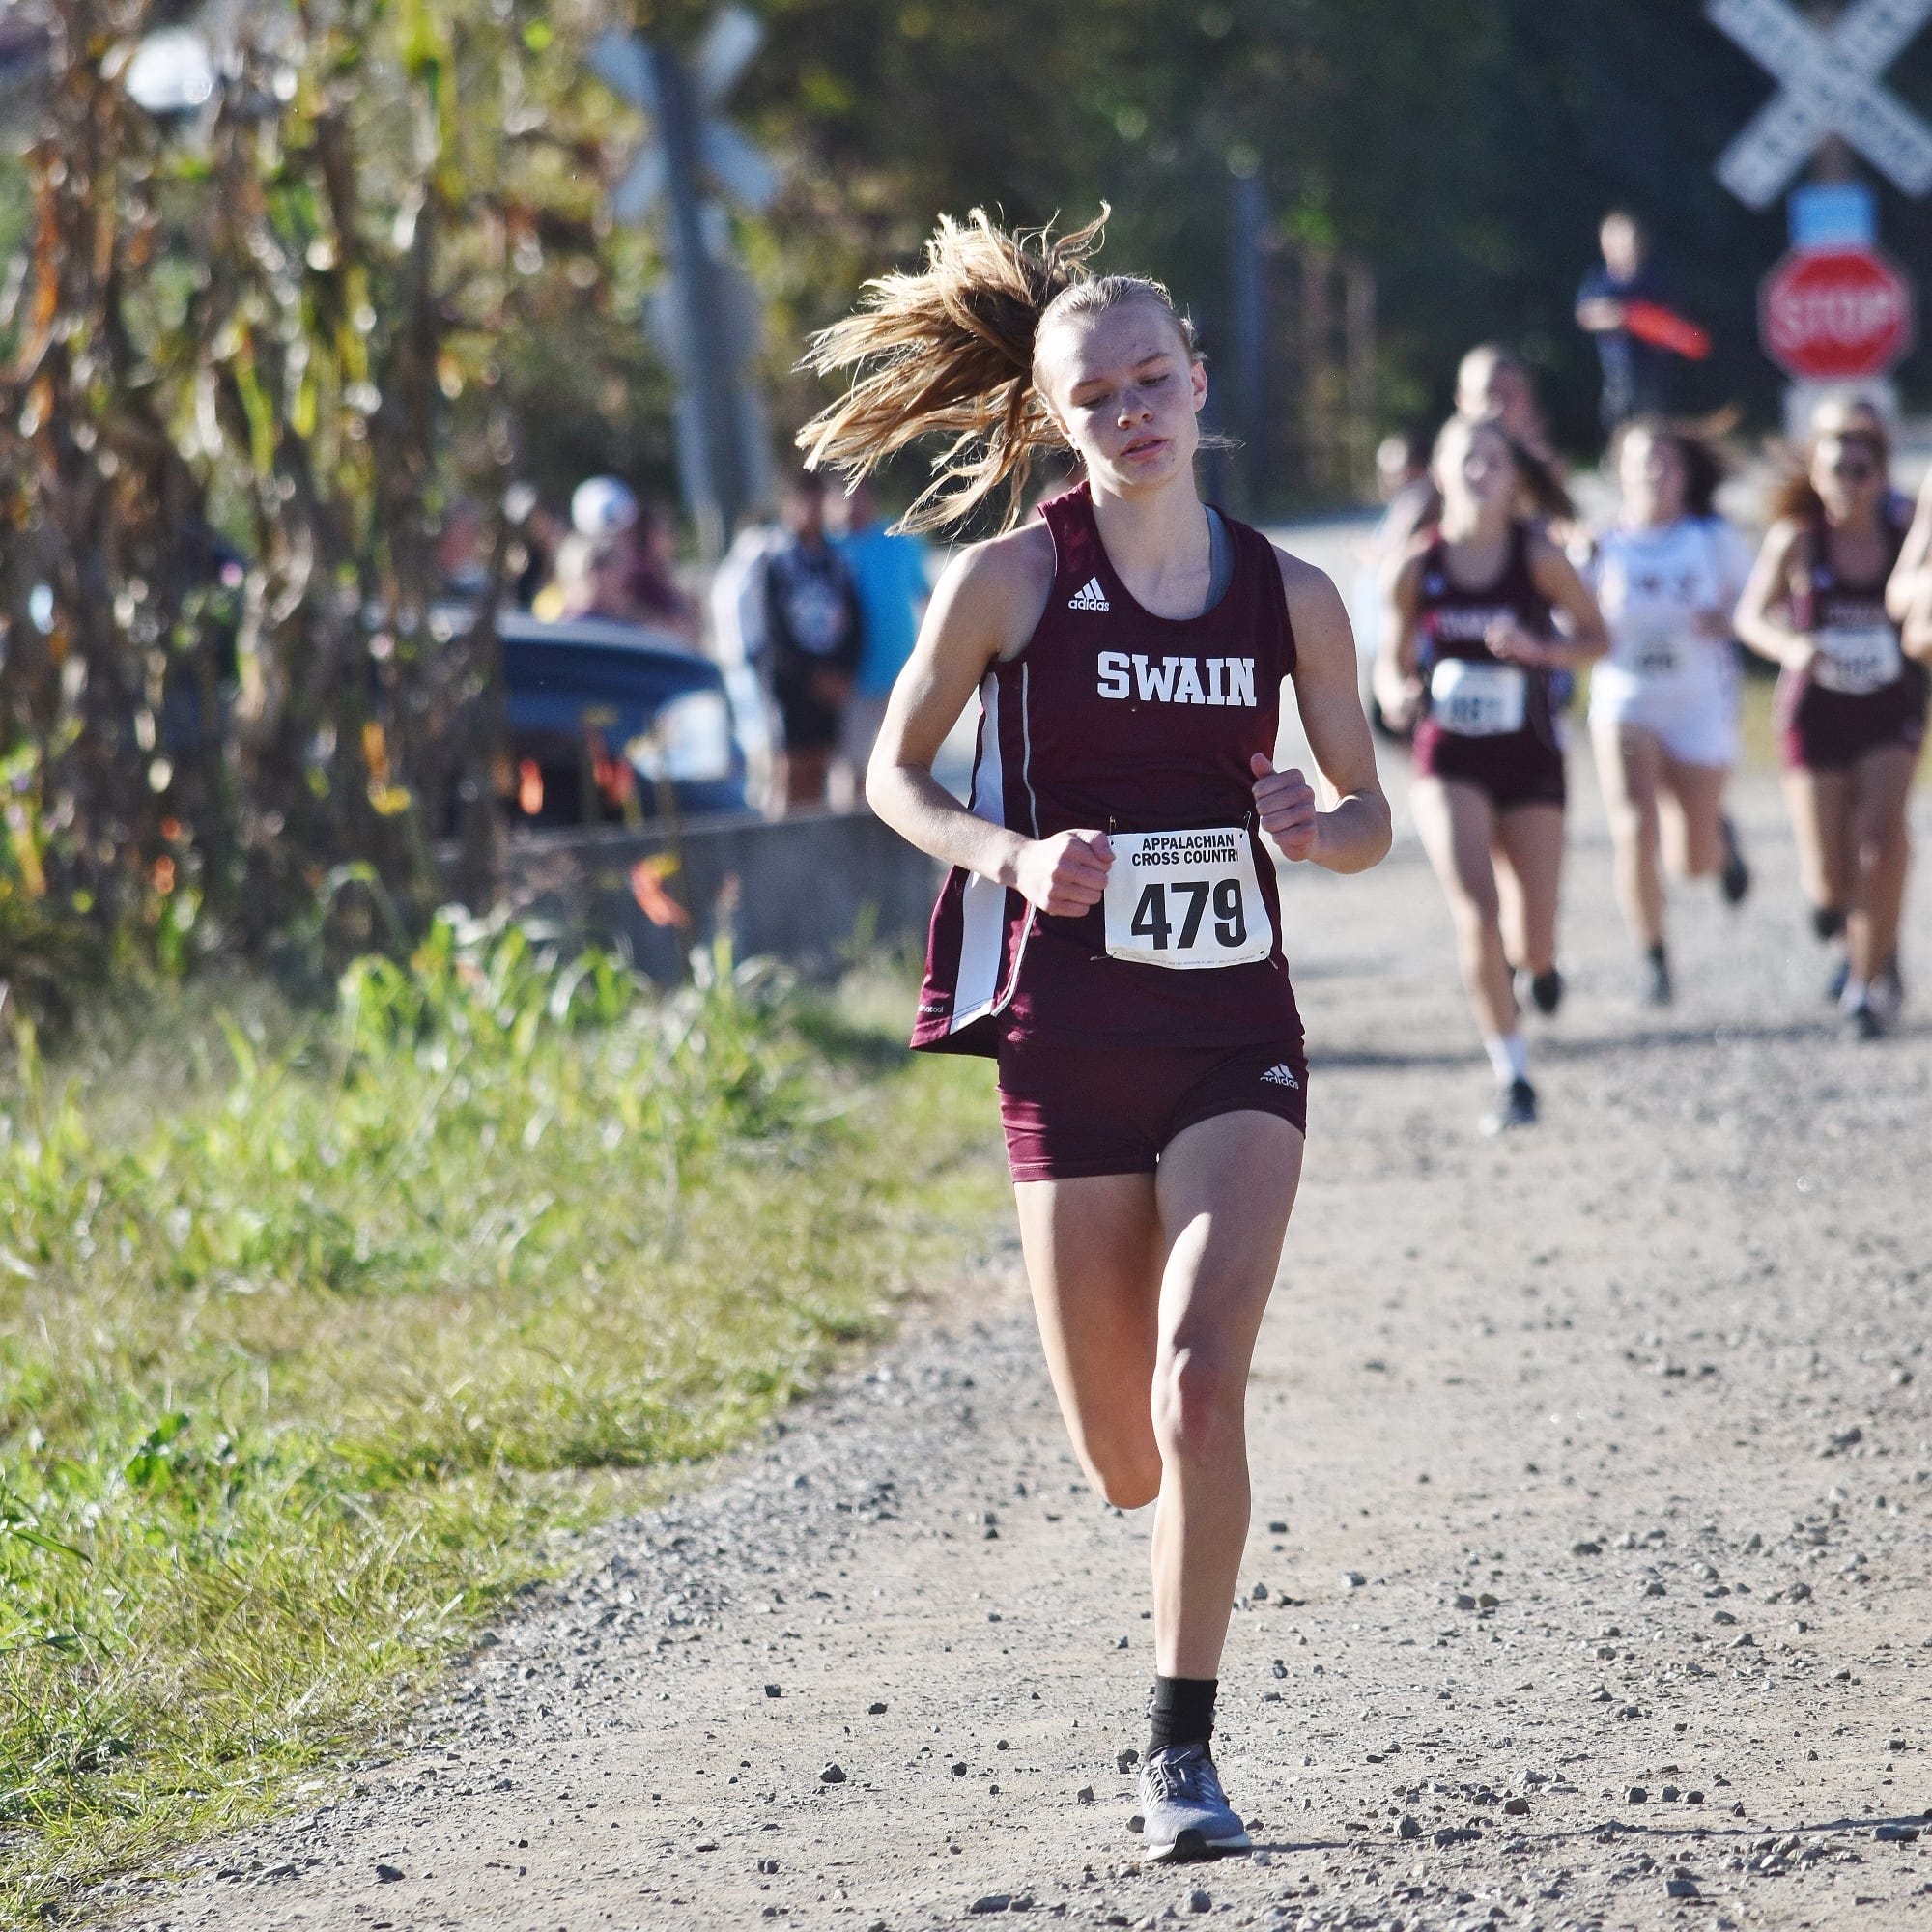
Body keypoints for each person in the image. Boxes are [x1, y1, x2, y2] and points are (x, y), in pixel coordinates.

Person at [797, 208, 1390, 1863]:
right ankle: (1161, 1547)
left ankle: (1181, 1750)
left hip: (1231, 1044)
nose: (1134, 411)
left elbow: (1372, 819)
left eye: (1155, 379)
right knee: (1124, 1453)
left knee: (1205, 1391)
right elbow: (889, 775)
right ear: (1061, 420)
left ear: (1200, 384)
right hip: (1067, 1038)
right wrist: (1010, 856)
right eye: (1099, 396)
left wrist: (1306, 819)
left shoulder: (1296, 597)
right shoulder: (1014, 579)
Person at [1376, 415, 1607, 1133]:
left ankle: (1538, 969)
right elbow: (1389, 665)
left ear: (1513, 479)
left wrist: (1540, 650)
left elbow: (1597, 637)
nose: (1479, 471)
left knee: (1534, 936)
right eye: (1465, 460)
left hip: (1529, 753)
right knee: (1477, 908)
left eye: (1493, 461)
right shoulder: (1419, 567)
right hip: (1448, 757)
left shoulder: (1536, 555)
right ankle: (1513, 1073)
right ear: (1441, 475)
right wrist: (1397, 695)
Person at [1735, 402, 1927, 1038]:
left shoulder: (1907, 532)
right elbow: (1750, 617)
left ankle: (1864, 987)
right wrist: (1792, 646)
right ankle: (1862, 932)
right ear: (1815, 473)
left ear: (1880, 474)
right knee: (1828, 881)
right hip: (1814, 712)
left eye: (1861, 469)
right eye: (1835, 468)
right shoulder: (1797, 537)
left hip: (1889, 707)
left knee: (1880, 844)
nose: (1848, 481)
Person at [1584, 419, 1753, 1005]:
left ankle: (1721, 843)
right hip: (1626, 699)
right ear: (1619, 473)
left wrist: (1727, 622)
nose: (1654, 471)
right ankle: (1654, 957)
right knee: (1634, 829)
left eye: (1666, 461)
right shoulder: (1601, 546)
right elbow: (1568, 620)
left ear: (1683, 475)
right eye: (1641, 461)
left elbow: (1760, 604)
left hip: (1699, 703)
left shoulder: (1712, 539)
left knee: (1694, 861)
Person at [763, 473, 863, 811]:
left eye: (819, 502)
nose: (814, 511)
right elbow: (775, 630)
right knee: (792, 770)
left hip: (832, 682)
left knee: (824, 766)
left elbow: (855, 621)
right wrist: (811, 676)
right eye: (805, 502)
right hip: (794, 684)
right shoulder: (778, 563)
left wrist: (842, 673)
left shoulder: (838, 562)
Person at [832, 477, 931, 804]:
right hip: (852, 679)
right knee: (854, 766)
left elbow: (925, 598)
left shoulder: (899, 540)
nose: (853, 503)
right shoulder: (830, 550)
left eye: (859, 494)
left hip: (900, 673)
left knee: (904, 767)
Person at [1577, 212, 1691, 435]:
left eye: (1633, 242)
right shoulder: (1600, 280)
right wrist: (1616, 316)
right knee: (1618, 414)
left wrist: (1647, 322)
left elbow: (1673, 321)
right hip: (1617, 366)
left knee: (1652, 416)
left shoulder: (1653, 279)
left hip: (1652, 365)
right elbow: (1585, 315)